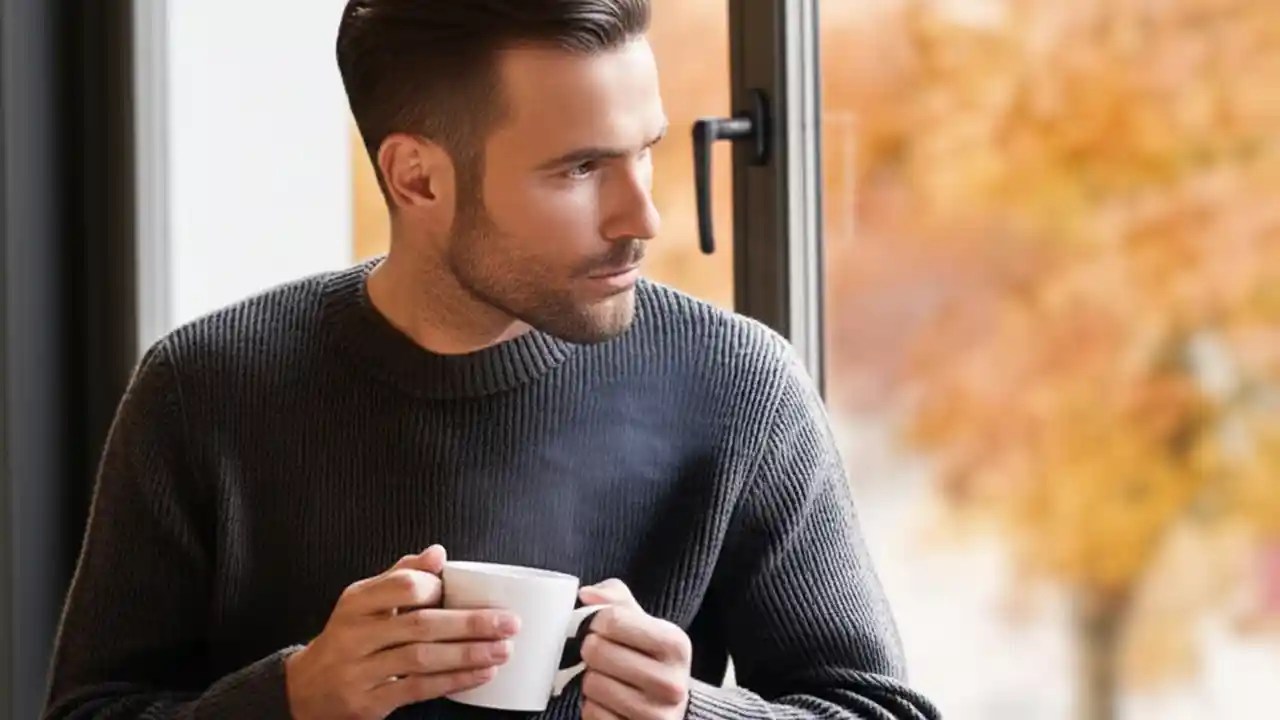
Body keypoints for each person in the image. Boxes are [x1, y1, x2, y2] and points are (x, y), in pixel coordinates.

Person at [43, 1, 940, 718]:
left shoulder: (740, 387)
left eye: (646, 153)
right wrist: (295, 699)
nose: (643, 216)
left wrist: (690, 712)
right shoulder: (202, 391)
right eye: (580, 169)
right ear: (418, 178)